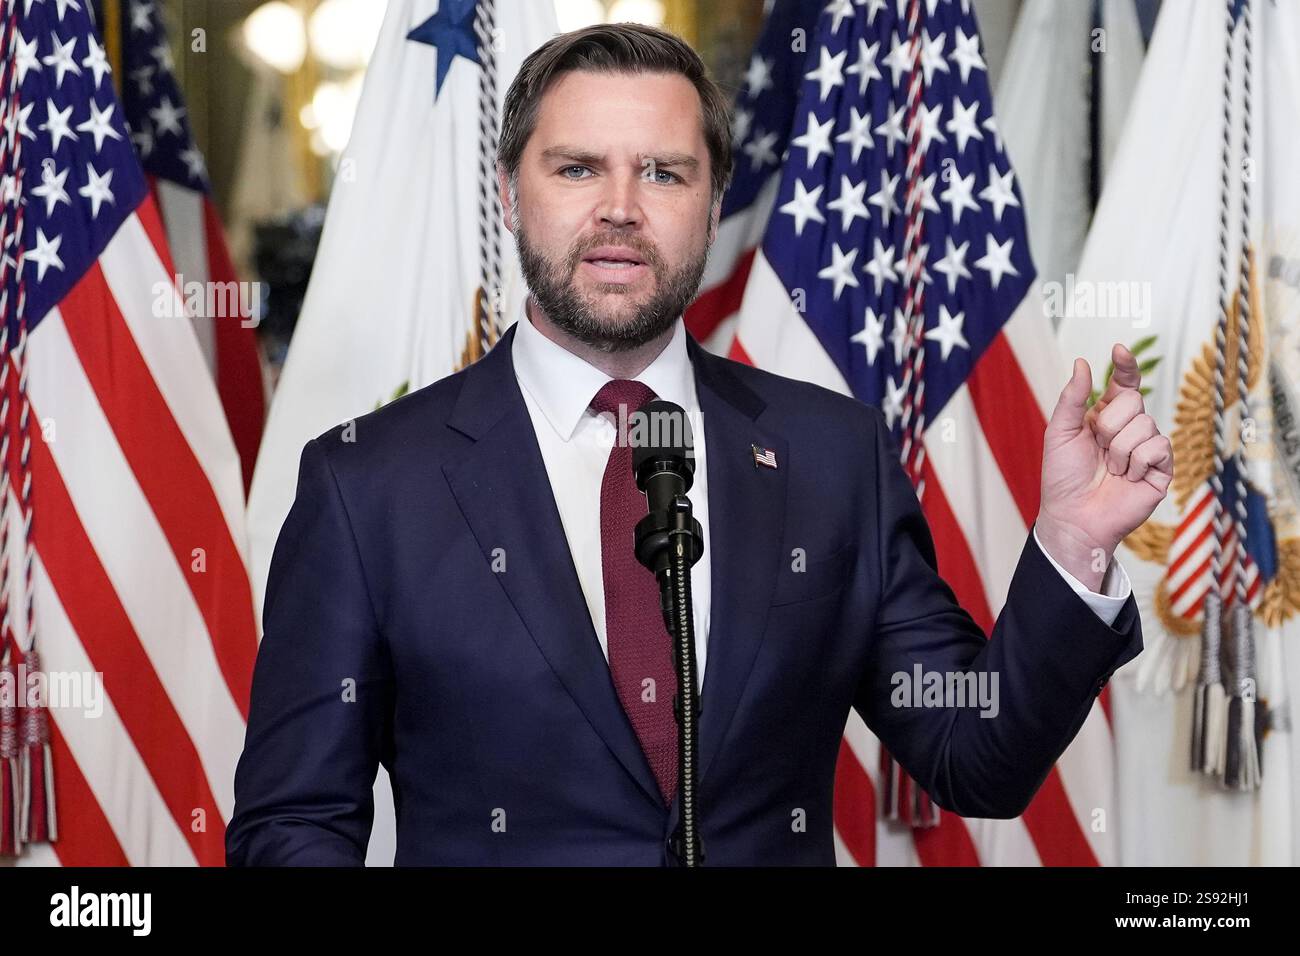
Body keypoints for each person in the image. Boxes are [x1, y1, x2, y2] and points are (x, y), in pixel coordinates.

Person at [226, 23, 1171, 866]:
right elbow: (294, 824)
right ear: (511, 195)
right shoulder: (368, 483)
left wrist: (1074, 547)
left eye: (665, 172)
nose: (622, 208)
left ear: (714, 207)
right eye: (577, 167)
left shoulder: (829, 454)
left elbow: (977, 760)